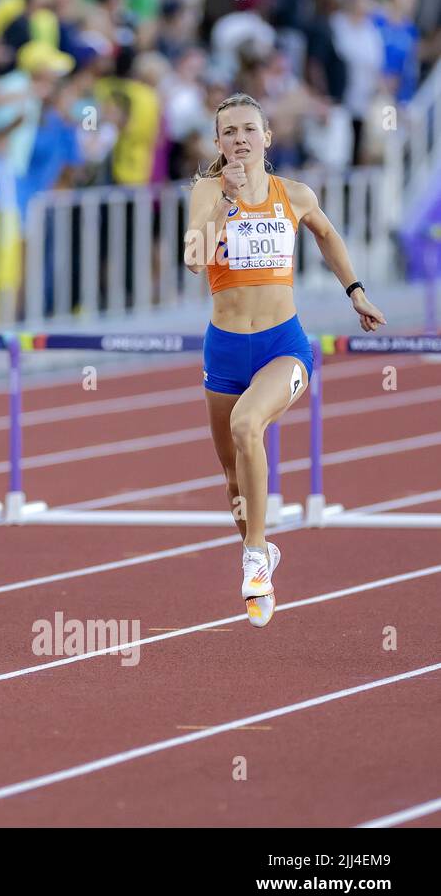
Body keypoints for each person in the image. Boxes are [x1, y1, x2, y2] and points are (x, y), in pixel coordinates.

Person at [184, 93, 385, 629]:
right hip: (224, 348)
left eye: (250, 129)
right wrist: (224, 206)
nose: (240, 139)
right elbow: (192, 259)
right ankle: (259, 547)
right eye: (230, 132)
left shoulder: (293, 194)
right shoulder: (206, 190)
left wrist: (356, 291)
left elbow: (326, 232)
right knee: (232, 475)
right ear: (218, 144)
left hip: (283, 345)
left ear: (267, 138)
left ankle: (254, 560)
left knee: (248, 424)